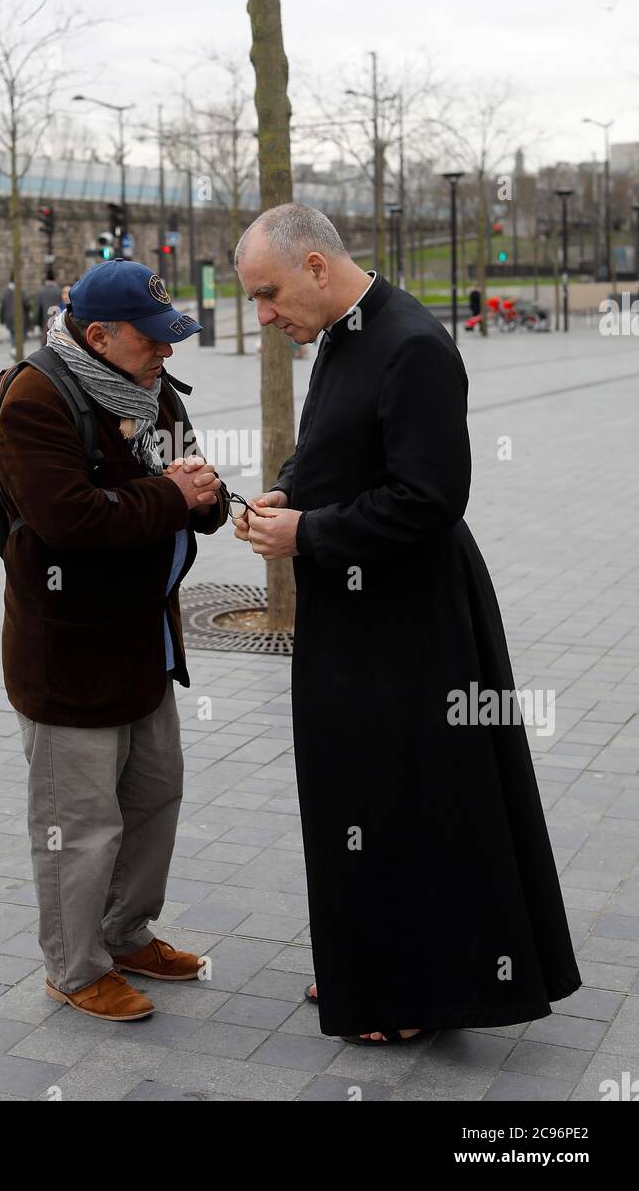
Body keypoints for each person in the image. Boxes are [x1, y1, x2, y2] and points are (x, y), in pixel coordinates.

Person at [232, 202, 581, 1045]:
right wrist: (288, 491)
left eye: (269, 294)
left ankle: (414, 994)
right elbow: (334, 447)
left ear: (317, 266)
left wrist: (307, 533)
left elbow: (429, 497)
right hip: (352, 609)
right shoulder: (343, 334)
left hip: (412, 621)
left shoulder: (417, 344)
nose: (265, 316)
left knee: (408, 800)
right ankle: (367, 968)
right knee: (351, 789)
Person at [0, 259, 230, 1021]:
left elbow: (188, 491)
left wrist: (210, 500)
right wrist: (172, 495)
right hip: (70, 655)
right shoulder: (36, 399)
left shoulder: (153, 392)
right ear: (98, 335)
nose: (167, 352)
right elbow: (70, 522)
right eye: (153, 339)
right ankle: (74, 965)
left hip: (145, 647)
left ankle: (126, 933)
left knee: (155, 796)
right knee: (80, 826)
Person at [37, 273, 63, 342]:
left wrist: (38, 322)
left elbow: (40, 308)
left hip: (45, 320)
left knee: (45, 342)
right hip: (57, 320)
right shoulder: (59, 290)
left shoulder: (41, 291)